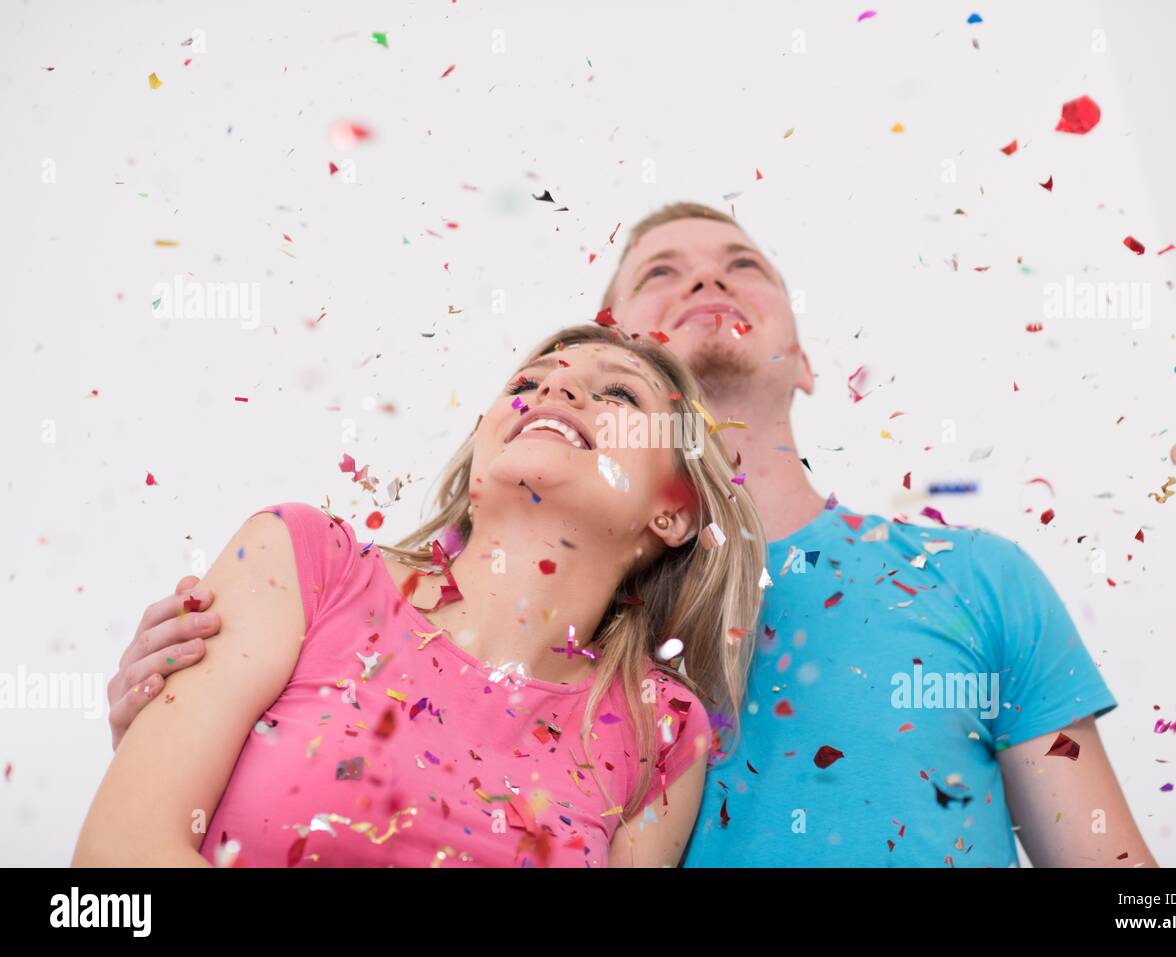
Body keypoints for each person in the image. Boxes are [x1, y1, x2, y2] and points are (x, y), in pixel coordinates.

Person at [107, 203, 1157, 868]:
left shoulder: (974, 580)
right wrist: (205, 732)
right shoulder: (339, 584)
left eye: (743, 263)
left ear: (805, 359)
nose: (706, 280)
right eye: (659, 273)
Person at [75, 324, 766, 867]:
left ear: (674, 510)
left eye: (619, 395)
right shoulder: (303, 560)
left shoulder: (665, 730)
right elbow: (117, 857)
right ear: (480, 457)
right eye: (530, 381)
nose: (556, 392)